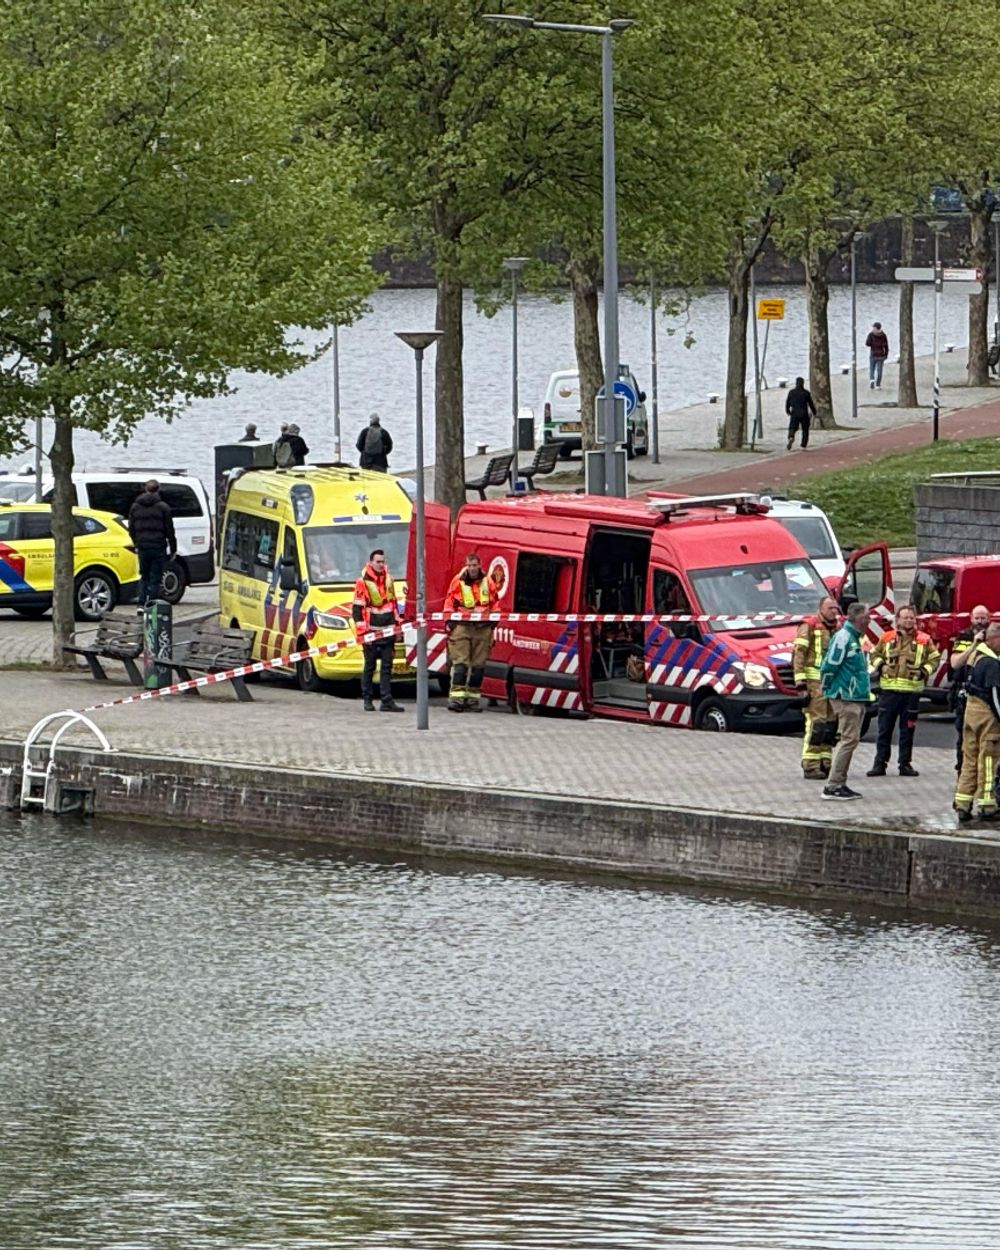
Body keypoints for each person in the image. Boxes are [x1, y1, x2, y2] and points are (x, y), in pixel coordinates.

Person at [866, 605, 939, 777]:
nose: (909, 620)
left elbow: (934, 659)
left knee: (907, 731)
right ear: (897, 620)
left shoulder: (924, 639)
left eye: (911, 618)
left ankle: (905, 764)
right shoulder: (887, 637)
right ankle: (879, 764)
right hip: (889, 692)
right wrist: (882, 667)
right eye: (905, 617)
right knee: (884, 730)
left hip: (911, 693)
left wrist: (924, 671)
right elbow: (874, 655)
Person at [819, 601, 873, 800]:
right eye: (868, 616)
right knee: (848, 740)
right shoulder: (844, 637)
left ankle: (838, 782)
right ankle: (834, 785)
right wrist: (828, 688)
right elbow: (829, 665)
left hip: (854, 696)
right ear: (859, 618)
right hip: (846, 696)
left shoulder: (854, 637)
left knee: (850, 740)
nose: (870, 619)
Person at [954, 621, 1000, 823]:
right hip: (987, 717)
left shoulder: (975, 657)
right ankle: (988, 805)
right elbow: (996, 695)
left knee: (969, 760)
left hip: (971, 714)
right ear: (994, 639)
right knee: (989, 761)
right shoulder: (991, 663)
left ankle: (962, 804)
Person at [444, 552, 499, 712]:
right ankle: (456, 699)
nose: (472, 568)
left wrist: (493, 623)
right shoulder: (458, 581)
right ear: (465, 566)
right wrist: (451, 623)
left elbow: (495, 603)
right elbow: (449, 602)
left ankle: (472, 700)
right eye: (469, 565)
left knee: (478, 667)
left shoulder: (488, 581)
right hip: (462, 627)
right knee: (460, 664)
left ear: (480, 565)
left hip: (482, 628)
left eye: (475, 565)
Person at [793, 596, 840, 779]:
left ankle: (825, 762)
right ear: (820, 608)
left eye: (836, 608)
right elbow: (799, 655)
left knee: (830, 725)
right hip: (815, 683)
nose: (834, 611)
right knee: (816, 724)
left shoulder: (838, 628)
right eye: (830, 608)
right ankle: (810, 765)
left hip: (832, 683)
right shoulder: (809, 626)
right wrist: (801, 685)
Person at [352, 549, 405, 713]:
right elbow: (357, 610)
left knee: (387, 668)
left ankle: (386, 701)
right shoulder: (362, 582)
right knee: (369, 667)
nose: (381, 564)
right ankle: (367, 700)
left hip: (388, 632)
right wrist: (363, 634)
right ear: (371, 562)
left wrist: (398, 628)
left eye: (383, 561)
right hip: (371, 633)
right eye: (378, 562)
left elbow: (393, 605)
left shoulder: (389, 580)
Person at [950, 604, 991, 772]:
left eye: (983, 618)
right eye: (977, 618)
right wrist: (974, 645)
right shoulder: (964, 636)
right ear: (971, 619)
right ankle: (963, 770)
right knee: (964, 736)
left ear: (989, 619)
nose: (980, 622)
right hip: (965, 694)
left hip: (987, 693)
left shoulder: (995, 637)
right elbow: (955, 663)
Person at [127, 479, 177, 610]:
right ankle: (152, 605)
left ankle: (140, 604)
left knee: (144, 575)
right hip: (158, 546)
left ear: (145, 489)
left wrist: (136, 543)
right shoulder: (163, 507)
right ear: (158, 489)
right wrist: (173, 549)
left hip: (143, 546)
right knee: (155, 577)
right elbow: (170, 530)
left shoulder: (135, 507)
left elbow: (131, 527)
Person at [785, 378, 817, 451]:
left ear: (796, 383)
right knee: (805, 429)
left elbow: (787, 403)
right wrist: (814, 412)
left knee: (792, 427)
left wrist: (787, 411)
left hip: (794, 413)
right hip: (804, 414)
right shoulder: (806, 393)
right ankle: (803, 445)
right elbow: (811, 404)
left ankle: (791, 436)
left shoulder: (791, 392)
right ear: (803, 383)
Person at [866, 322, 889, 389]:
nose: (873, 329)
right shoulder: (883, 335)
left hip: (873, 354)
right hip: (881, 355)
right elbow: (886, 346)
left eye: (873, 328)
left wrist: (870, 341)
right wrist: (886, 354)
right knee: (879, 370)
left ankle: (872, 380)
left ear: (876, 328)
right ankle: (877, 384)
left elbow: (867, 343)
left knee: (872, 369)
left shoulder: (871, 335)